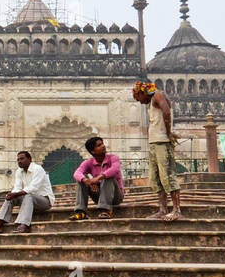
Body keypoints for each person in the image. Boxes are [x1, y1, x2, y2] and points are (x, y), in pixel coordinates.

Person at [134, 80, 183, 221]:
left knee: (167, 176)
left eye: (138, 98)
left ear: (142, 93)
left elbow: (166, 112)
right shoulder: (151, 101)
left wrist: (168, 133)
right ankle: (162, 209)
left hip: (162, 142)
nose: (139, 101)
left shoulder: (158, 95)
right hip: (155, 142)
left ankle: (176, 210)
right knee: (156, 179)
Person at [0, 151, 54, 234]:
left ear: (29, 159)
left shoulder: (38, 169)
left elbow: (33, 188)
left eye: (22, 159)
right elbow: (17, 187)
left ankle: (24, 225)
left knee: (28, 196)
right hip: (27, 200)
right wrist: (11, 194)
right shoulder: (19, 171)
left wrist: (16, 194)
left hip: (44, 201)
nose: (19, 161)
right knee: (10, 198)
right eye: (18, 159)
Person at [71, 137, 124, 220]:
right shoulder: (89, 162)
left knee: (108, 177)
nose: (103, 146)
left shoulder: (113, 158)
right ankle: (81, 212)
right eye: (99, 145)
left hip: (116, 196)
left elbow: (115, 169)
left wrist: (98, 178)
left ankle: (105, 211)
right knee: (81, 180)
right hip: (99, 195)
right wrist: (87, 181)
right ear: (93, 151)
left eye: (102, 144)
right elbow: (77, 173)